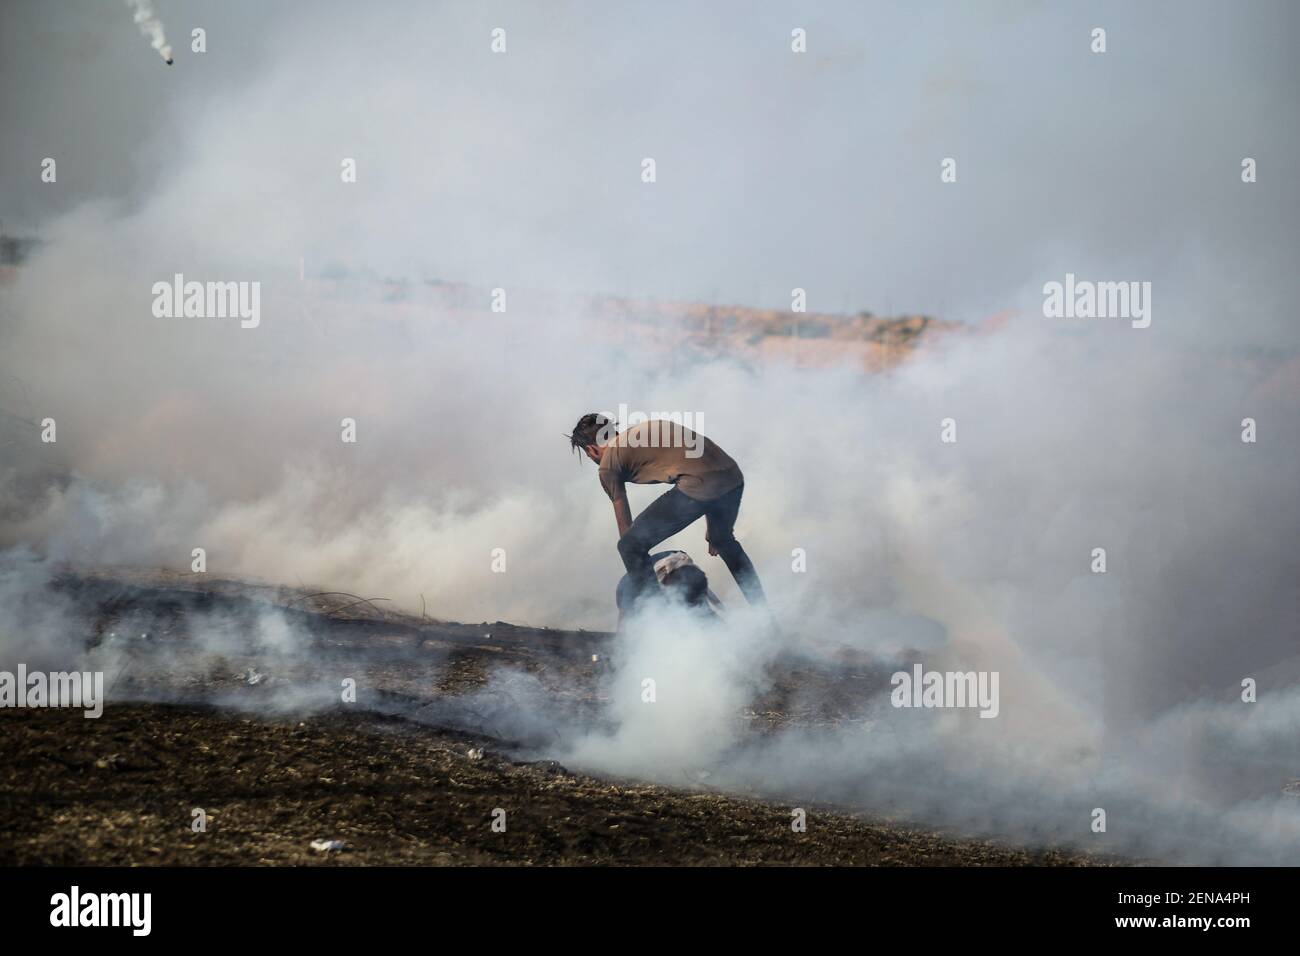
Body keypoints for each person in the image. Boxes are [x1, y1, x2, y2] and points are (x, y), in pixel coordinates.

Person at [568, 413, 767, 611]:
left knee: (629, 546)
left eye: (588, 455)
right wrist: (715, 527)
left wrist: (638, 566)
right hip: (732, 477)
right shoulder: (641, 432)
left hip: (700, 485)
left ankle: (659, 620)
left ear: (591, 449)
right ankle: (764, 614)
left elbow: (626, 530)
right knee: (723, 541)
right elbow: (702, 463)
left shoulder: (607, 465)